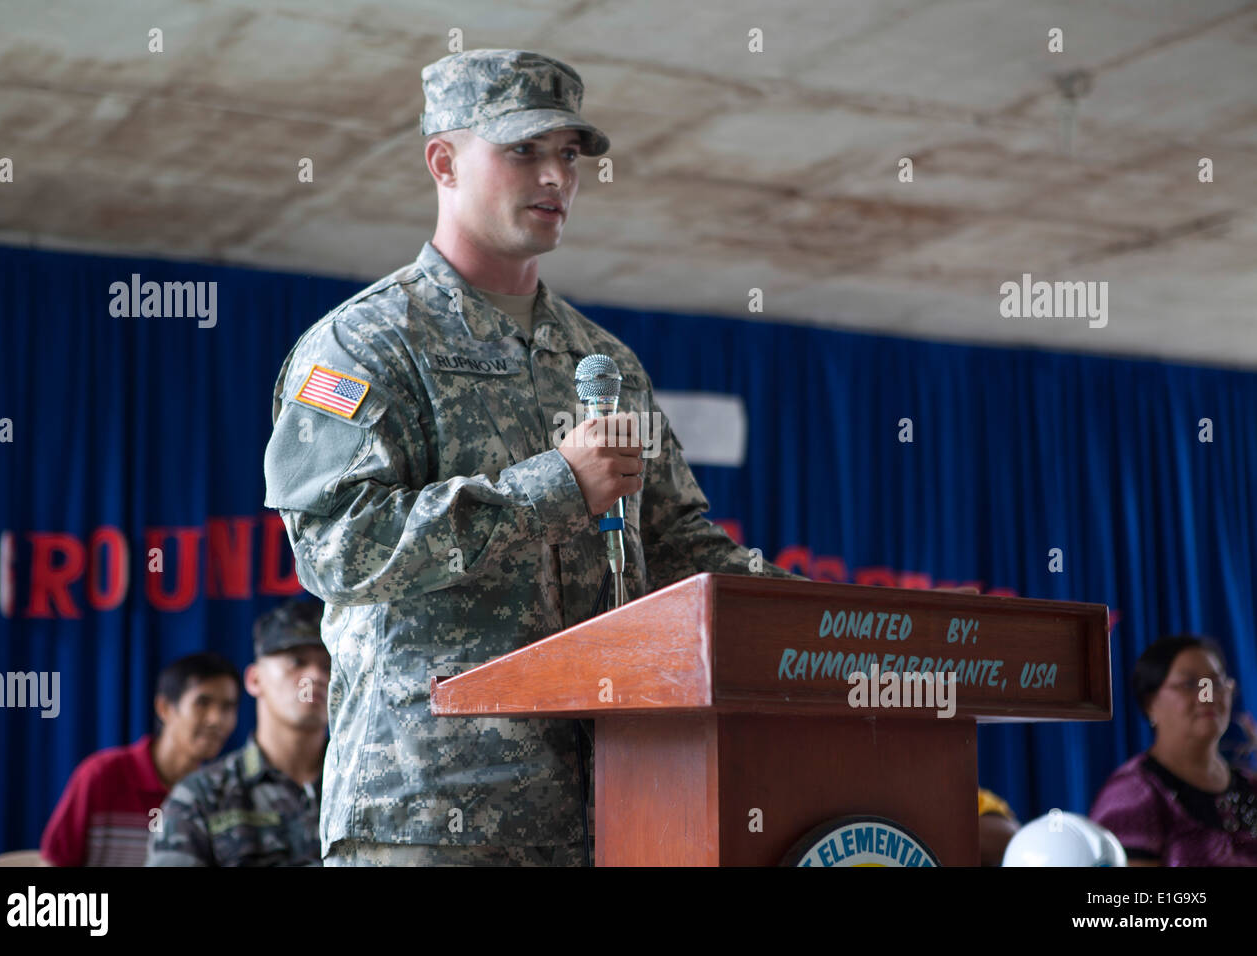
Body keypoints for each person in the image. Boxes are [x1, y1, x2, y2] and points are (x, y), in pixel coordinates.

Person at [263, 48, 801, 867]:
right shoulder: (363, 345)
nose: (556, 176)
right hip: (426, 815)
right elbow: (338, 549)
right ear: (442, 161)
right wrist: (554, 488)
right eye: (524, 150)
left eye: (569, 155)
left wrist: (818, 616)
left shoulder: (603, 361)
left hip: (612, 805)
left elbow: (681, 547)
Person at [147, 600, 330, 866]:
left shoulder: (371, 789)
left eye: (328, 665)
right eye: (297, 661)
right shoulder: (202, 798)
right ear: (255, 679)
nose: (316, 676)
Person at [40, 653, 239, 866]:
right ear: (165, 708)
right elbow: (53, 863)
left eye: (227, 707)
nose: (217, 720)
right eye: (203, 703)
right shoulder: (101, 776)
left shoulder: (222, 793)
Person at [1089, 634, 1257, 866]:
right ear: (1150, 703)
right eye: (1189, 685)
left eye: (1216, 683)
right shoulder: (1132, 794)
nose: (1207, 696)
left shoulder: (1250, 784)